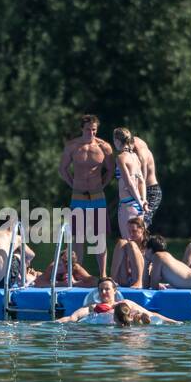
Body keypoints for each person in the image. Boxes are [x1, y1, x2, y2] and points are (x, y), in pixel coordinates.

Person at [58, 115, 114, 277]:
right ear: (82, 129)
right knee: (78, 238)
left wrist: (102, 185)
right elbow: (63, 169)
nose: (91, 133)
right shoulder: (73, 146)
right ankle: (77, 274)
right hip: (78, 196)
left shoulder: (104, 147)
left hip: (97, 196)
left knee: (99, 237)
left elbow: (110, 169)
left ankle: (103, 275)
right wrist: (73, 184)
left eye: (94, 130)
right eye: (88, 129)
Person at [53, 278, 178, 324]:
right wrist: (49, 323)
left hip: (127, 329)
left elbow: (152, 314)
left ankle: (137, 320)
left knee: (140, 317)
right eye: (101, 290)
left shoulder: (126, 303)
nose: (103, 292)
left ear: (114, 290)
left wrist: (175, 322)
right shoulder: (93, 307)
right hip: (107, 328)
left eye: (107, 289)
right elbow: (72, 318)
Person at [111, 128, 147, 238]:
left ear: (117, 141)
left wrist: (140, 203)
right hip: (138, 204)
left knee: (128, 244)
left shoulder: (121, 158)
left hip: (127, 204)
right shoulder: (135, 157)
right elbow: (141, 181)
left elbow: (129, 183)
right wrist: (143, 201)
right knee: (138, 245)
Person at [127, 132, 162, 227]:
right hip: (140, 191)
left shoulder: (140, 152)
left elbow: (142, 178)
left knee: (141, 224)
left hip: (150, 191)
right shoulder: (134, 144)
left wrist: (143, 199)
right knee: (133, 224)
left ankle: (144, 241)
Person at [111, 215, 148, 287]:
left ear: (142, 230)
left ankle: (139, 281)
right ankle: (112, 279)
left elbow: (152, 268)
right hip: (125, 279)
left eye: (134, 231)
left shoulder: (150, 245)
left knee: (132, 244)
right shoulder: (127, 245)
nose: (131, 234)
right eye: (129, 231)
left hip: (143, 279)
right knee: (121, 242)